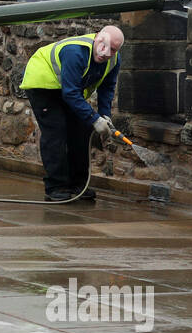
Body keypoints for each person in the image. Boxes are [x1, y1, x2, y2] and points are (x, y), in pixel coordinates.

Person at [19, 25, 124, 201]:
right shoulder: (75, 52)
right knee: (56, 131)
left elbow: (107, 88)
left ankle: (78, 184)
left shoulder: (114, 60)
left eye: (113, 50)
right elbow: (71, 93)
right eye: (104, 45)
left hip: (67, 88)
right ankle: (55, 187)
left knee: (82, 130)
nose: (106, 53)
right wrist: (93, 118)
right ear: (97, 37)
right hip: (42, 83)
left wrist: (105, 116)